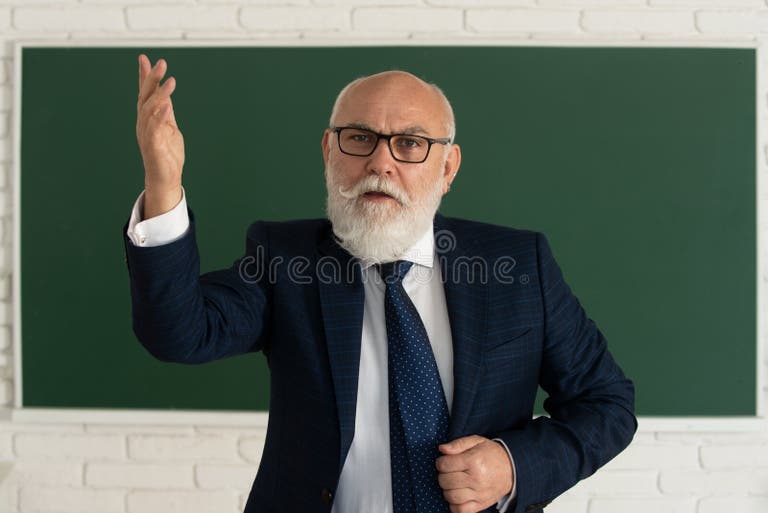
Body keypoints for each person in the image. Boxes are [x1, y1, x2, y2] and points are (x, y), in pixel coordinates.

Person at [125, 54, 636, 513]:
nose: (380, 162)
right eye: (360, 138)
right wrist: (163, 184)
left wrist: (512, 465)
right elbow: (180, 333)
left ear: (448, 167)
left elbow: (606, 404)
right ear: (330, 149)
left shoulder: (520, 265)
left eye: (411, 143)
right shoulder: (284, 259)